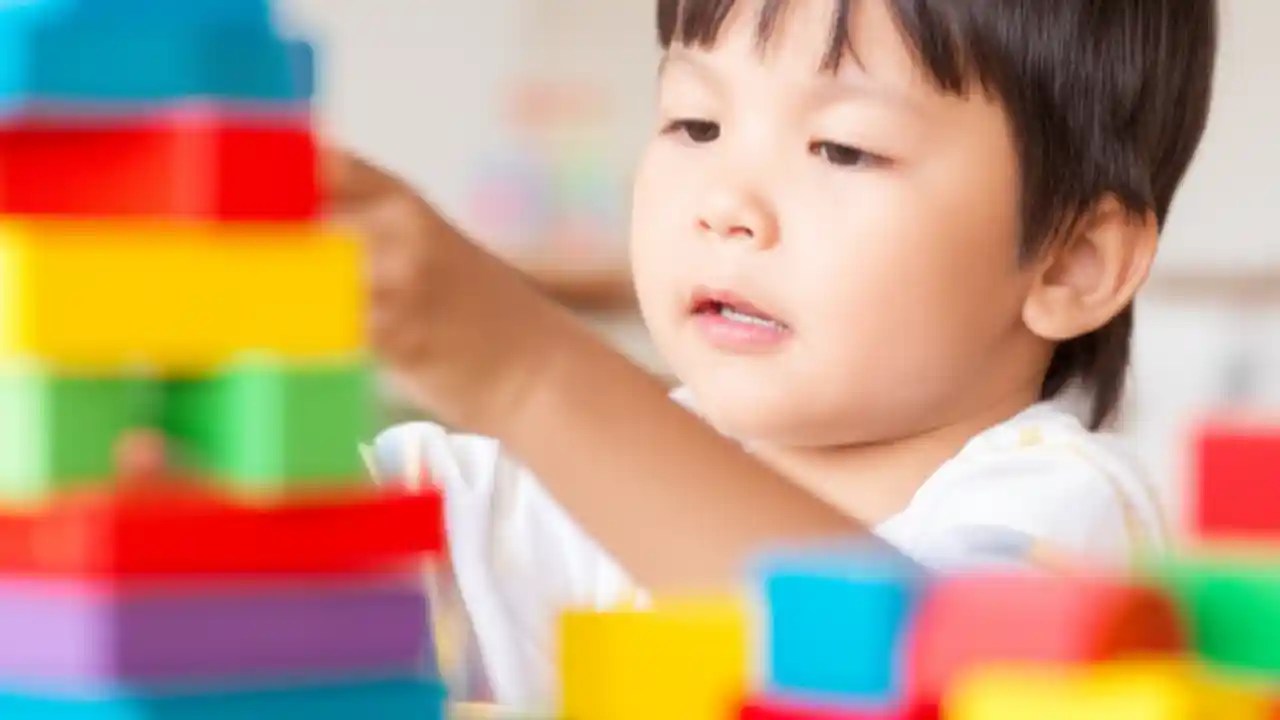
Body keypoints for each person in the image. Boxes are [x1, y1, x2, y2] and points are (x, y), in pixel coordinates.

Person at [329, 0, 1218, 705]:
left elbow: (915, 669)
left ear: (1071, 260)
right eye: (695, 125)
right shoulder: (576, 483)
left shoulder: (1065, 509)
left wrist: (525, 374)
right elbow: (321, 539)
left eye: (842, 147)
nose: (725, 203)